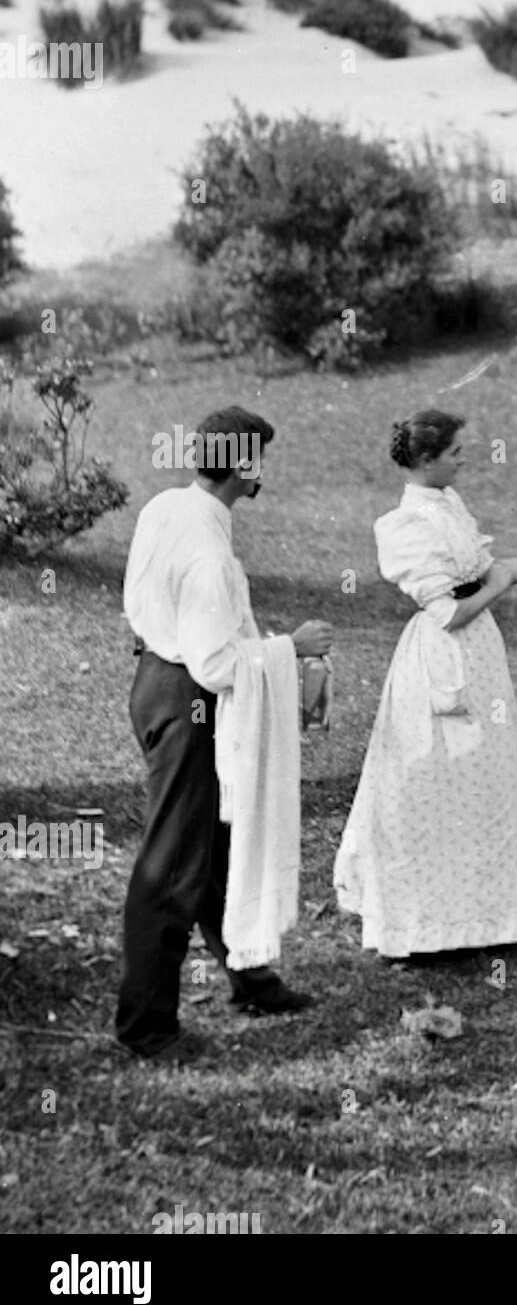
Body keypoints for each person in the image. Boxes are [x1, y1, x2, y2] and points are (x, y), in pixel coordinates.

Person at [118, 407, 332, 1064]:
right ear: (243, 466)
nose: (264, 469)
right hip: (189, 701)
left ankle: (252, 978)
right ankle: (147, 1029)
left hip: (158, 681)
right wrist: (289, 650)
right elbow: (214, 663)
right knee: (175, 864)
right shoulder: (209, 551)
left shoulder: (168, 507)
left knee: (213, 846)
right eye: (261, 456)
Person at [334, 409, 517, 957]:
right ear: (426, 459)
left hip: (481, 654)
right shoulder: (404, 525)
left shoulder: (449, 504)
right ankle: (434, 913)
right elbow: (449, 612)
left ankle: (494, 901)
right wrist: (493, 586)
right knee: (435, 773)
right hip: (443, 658)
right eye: (455, 452)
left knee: (489, 772)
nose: (464, 459)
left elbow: (491, 571)